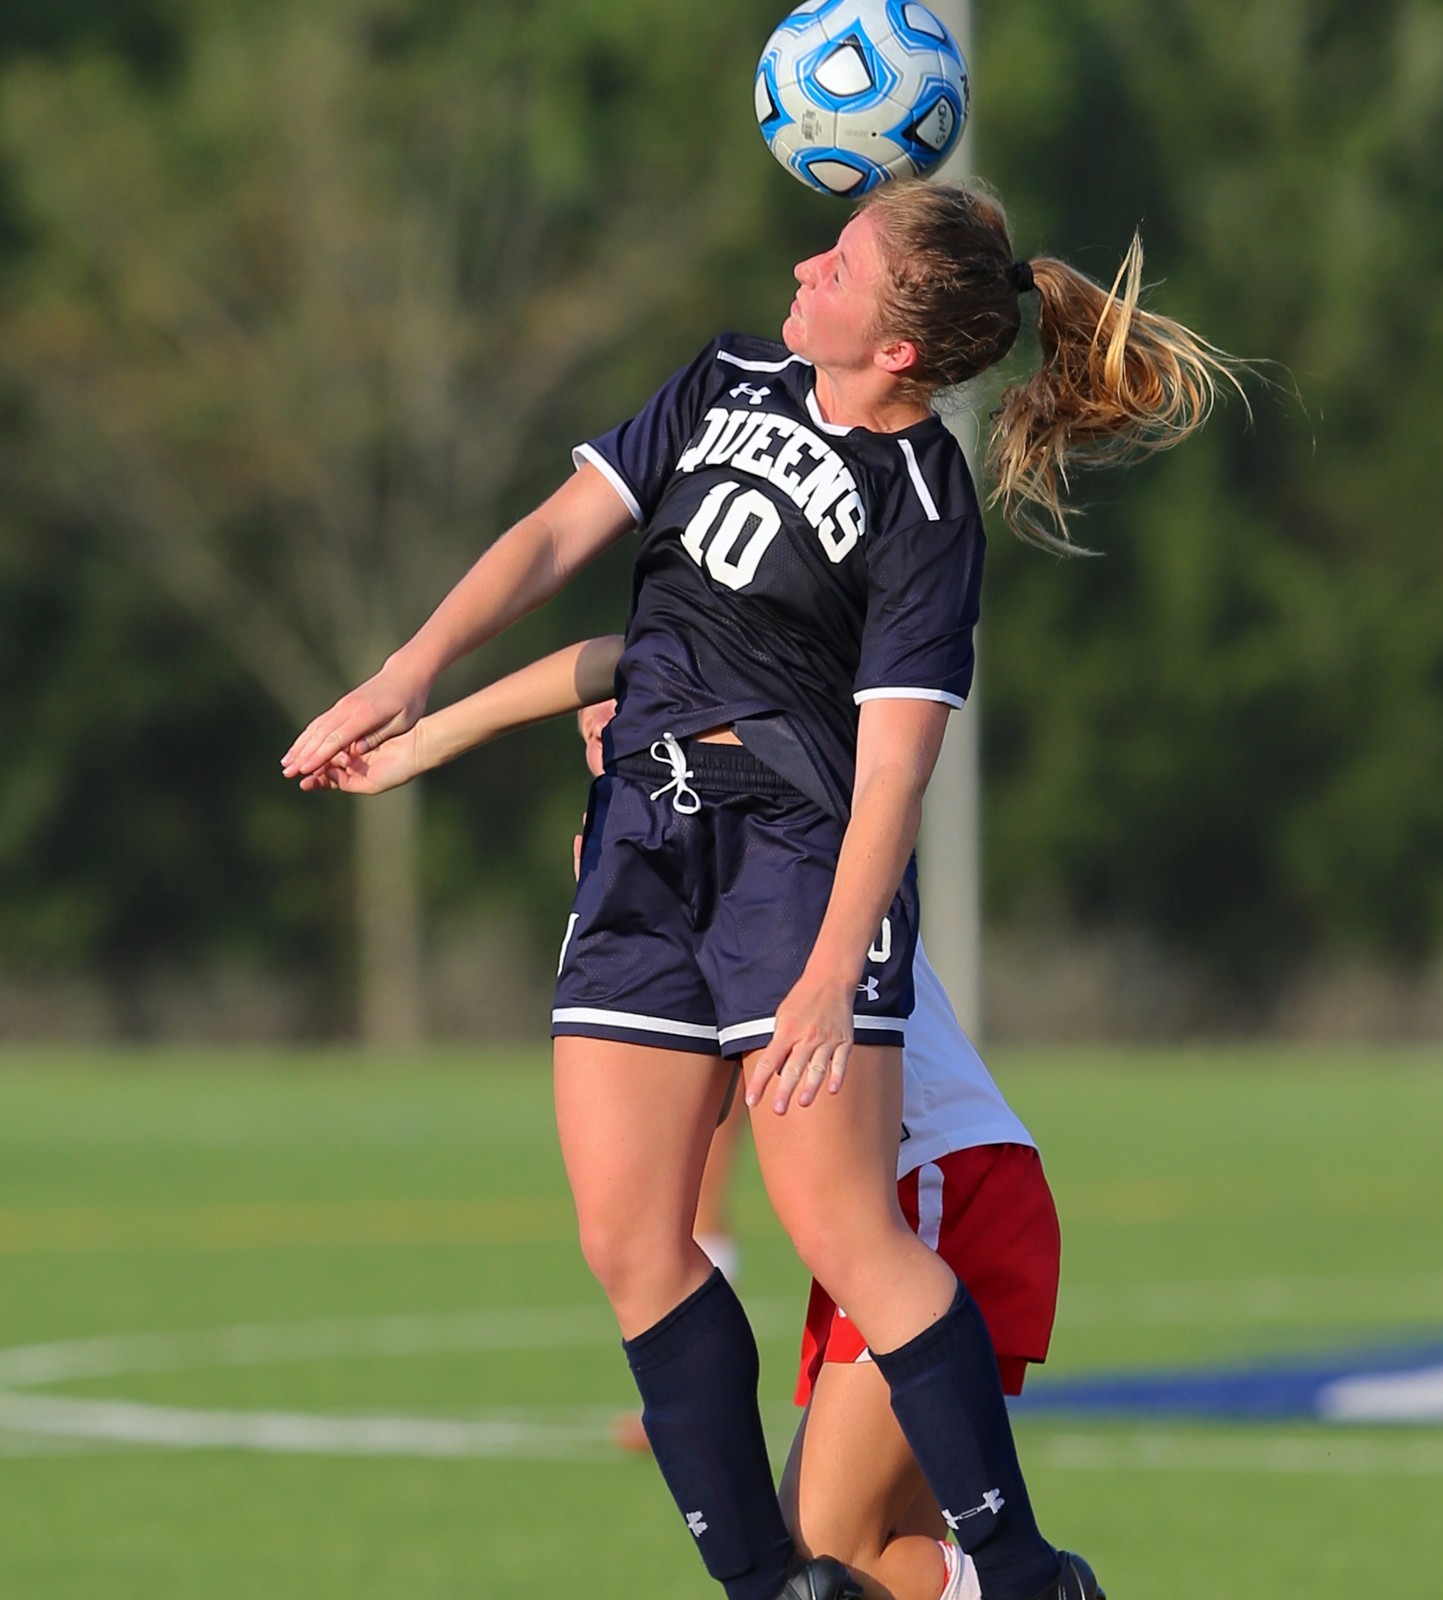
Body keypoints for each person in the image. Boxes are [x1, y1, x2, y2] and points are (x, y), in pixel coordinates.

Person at [285, 178, 1244, 1600]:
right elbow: (564, 548)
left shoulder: (921, 505)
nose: (806, 264)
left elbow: (893, 772)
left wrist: (823, 968)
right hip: (637, 838)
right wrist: (407, 688)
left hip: (789, 857)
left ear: (900, 345)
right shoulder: (724, 379)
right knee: (629, 1243)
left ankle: (1022, 1570)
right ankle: (759, 1587)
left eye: (842, 261)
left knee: (841, 1231)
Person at [303, 637, 1062, 1600]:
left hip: (940, 1185)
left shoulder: (755, 822)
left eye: (620, 716)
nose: (602, 729)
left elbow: (629, 651)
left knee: (833, 1553)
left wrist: (431, 731)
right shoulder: (664, 853)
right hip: (906, 1197)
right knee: (853, 1556)